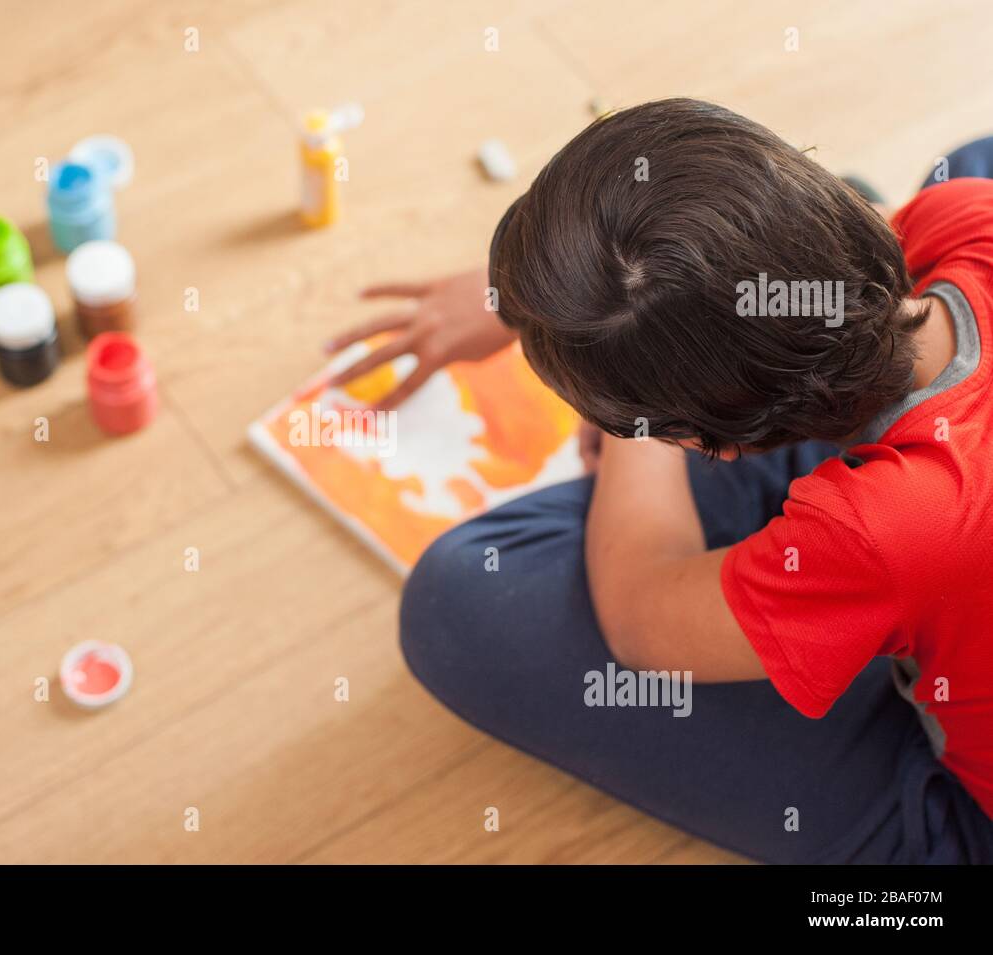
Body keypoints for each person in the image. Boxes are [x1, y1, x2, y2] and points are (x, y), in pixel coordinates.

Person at [327, 99, 993, 863]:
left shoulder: (882, 533)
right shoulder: (969, 214)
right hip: (923, 512)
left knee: (459, 602)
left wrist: (634, 426)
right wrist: (550, 307)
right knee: (975, 155)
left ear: (702, 442)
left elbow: (642, 620)